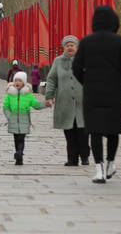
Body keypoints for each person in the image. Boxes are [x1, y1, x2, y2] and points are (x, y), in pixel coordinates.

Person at [74, 8, 121, 183]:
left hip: (93, 92)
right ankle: (110, 162)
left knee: (95, 131)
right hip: (115, 92)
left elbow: (77, 67)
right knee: (113, 130)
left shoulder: (86, 42)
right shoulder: (120, 41)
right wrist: (120, 83)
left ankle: (99, 168)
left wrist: (87, 82)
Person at [46, 35, 89, 168]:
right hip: (65, 103)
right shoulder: (58, 61)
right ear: (64, 48)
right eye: (67, 45)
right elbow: (52, 79)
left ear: (77, 47)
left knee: (83, 132)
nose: (70, 47)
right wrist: (49, 95)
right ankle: (72, 159)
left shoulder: (84, 59)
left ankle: (84, 156)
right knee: (69, 133)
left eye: (72, 45)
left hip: (82, 102)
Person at [3, 71, 44, 165]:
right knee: (16, 139)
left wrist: (45, 104)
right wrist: (9, 116)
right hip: (13, 120)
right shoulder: (10, 94)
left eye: (20, 80)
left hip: (24, 119)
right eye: (15, 80)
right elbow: (5, 107)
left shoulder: (28, 95)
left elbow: (36, 105)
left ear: (24, 82)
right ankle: (19, 157)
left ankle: (20, 153)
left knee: (21, 138)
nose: (17, 82)